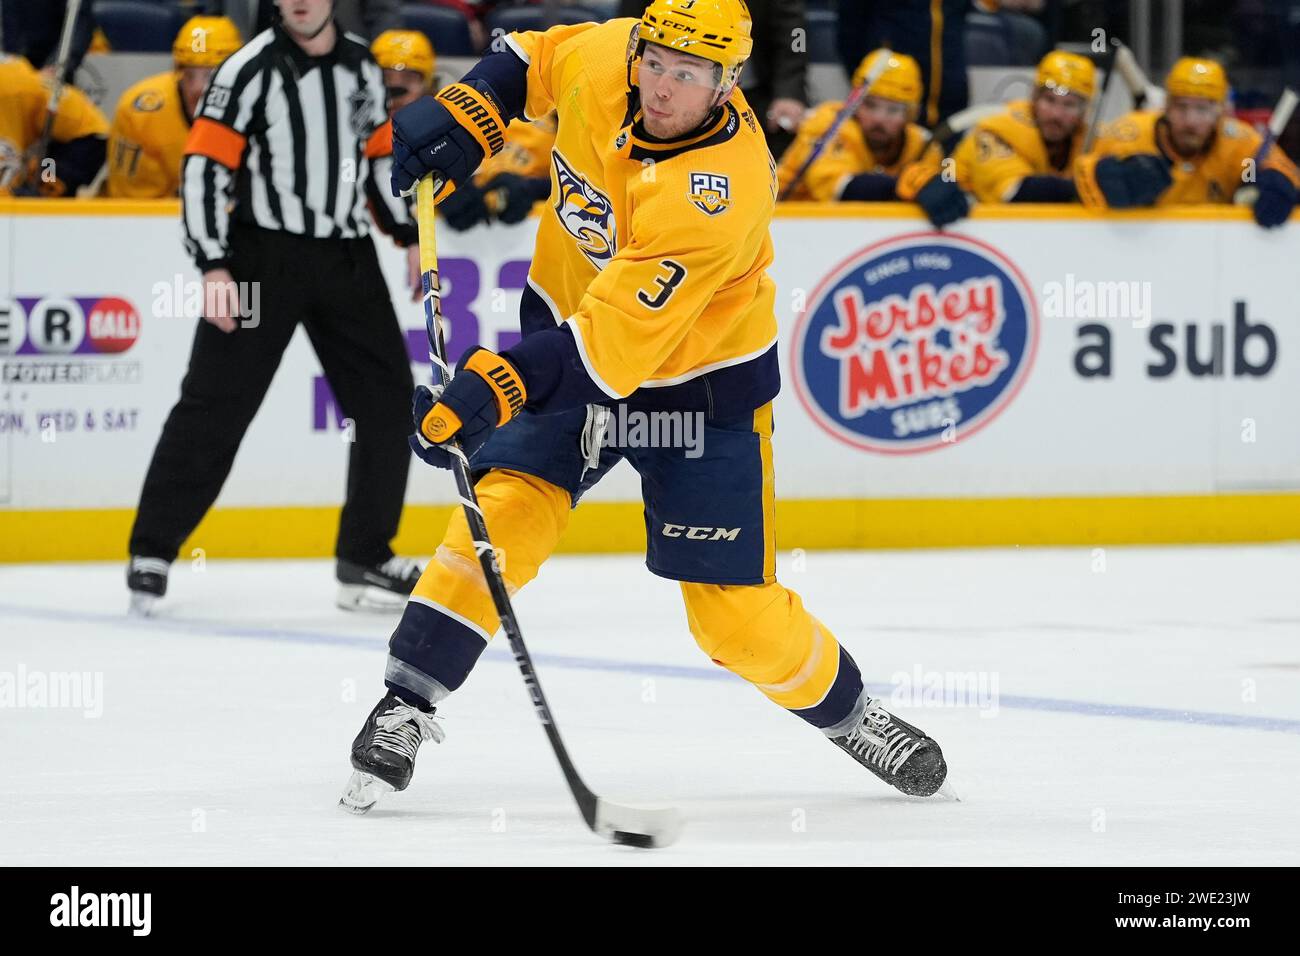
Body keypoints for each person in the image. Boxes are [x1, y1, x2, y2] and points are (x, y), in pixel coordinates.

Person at [340, 0, 948, 813]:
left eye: (688, 74)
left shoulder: (720, 191)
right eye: (654, 62)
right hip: (569, 332)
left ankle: (851, 713)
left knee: (733, 622)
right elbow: (533, 55)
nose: (661, 87)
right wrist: (473, 111)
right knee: (502, 514)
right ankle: (406, 704)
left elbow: (612, 343)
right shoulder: (606, 59)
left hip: (699, 387)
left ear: (729, 83)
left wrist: (494, 387)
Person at [126, 0, 421, 614]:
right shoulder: (246, 70)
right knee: (216, 402)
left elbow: (378, 159)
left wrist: (411, 234)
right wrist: (213, 262)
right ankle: (151, 549)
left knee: (388, 400)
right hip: (264, 258)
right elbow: (204, 168)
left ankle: (364, 555)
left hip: (346, 256)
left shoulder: (364, 67)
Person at [1075, 57, 1300, 227]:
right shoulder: (1129, 134)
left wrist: (1278, 182)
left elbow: (1282, 169)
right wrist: (1106, 178)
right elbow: (1081, 178)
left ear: (1220, 112)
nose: (1190, 121)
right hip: (1137, 253)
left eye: (1202, 109)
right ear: (1166, 107)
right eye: (1181, 107)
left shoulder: (1238, 141)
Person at [776, 49, 944, 212]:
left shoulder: (923, 143)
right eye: (870, 105)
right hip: (786, 223)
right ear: (854, 103)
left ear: (910, 115)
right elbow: (838, 188)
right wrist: (904, 185)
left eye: (892, 110)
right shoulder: (827, 124)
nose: (878, 118)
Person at [107, 17, 244, 199]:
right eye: (189, 74)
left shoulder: (264, 107)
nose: (197, 88)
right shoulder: (141, 113)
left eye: (212, 75)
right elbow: (135, 207)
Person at [951, 49, 1094, 204]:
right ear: (1034, 98)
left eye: (1069, 105)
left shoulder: (1089, 136)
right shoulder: (995, 131)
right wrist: (1092, 183)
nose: (1056, 114)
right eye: (1049, 100)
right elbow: (1015, 192)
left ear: (1084, 112)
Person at [0, 52, 107, 197]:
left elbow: (7, 157)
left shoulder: (7, 92)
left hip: (81, 140)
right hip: (52, 130)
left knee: (42, 190)